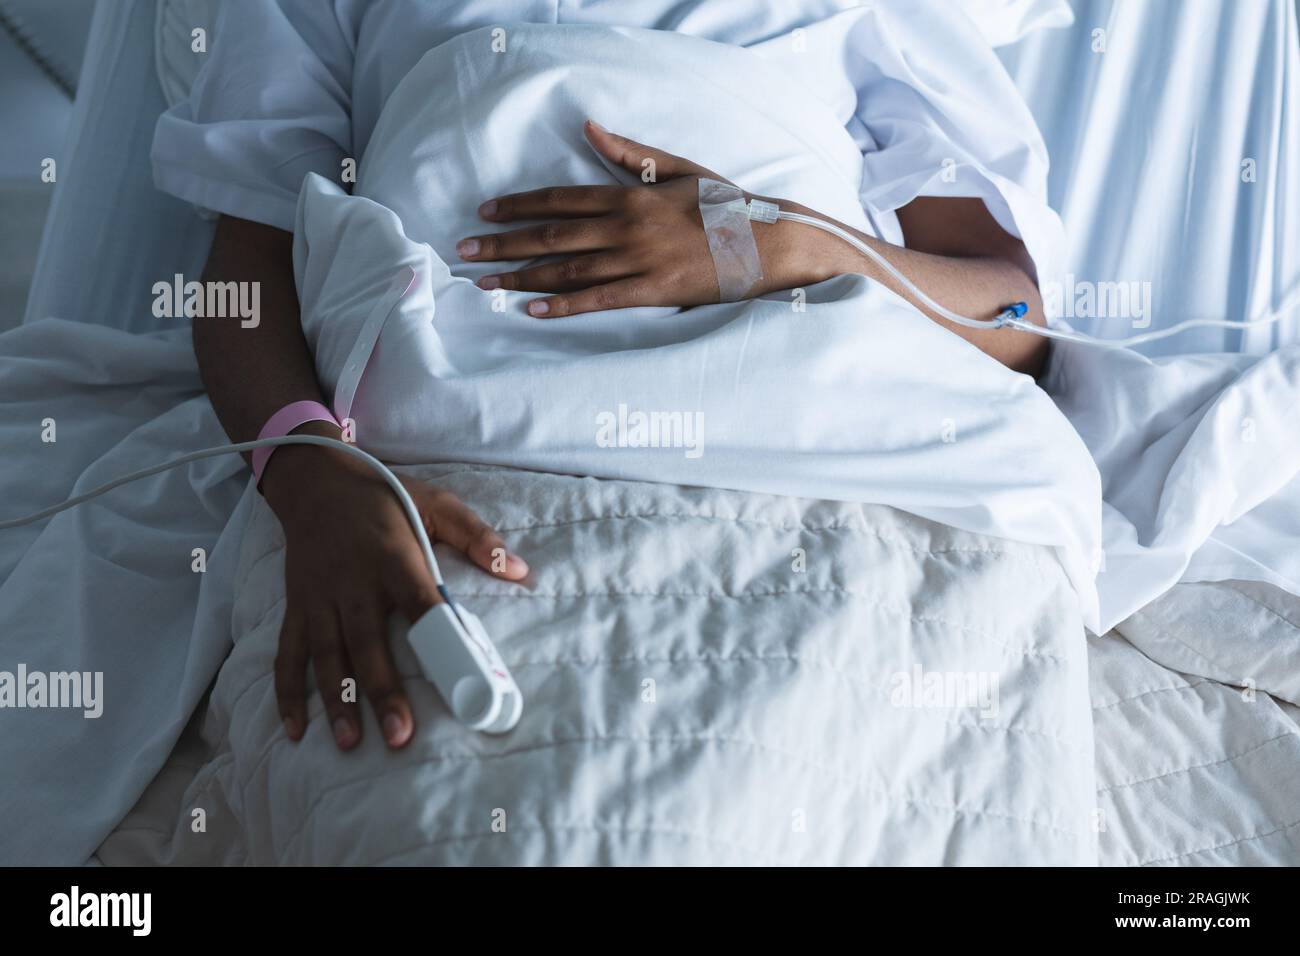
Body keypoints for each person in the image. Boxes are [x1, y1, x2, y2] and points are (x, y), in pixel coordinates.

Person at [154, 0, 1052, 753]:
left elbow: (1014, 321)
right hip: (432, 464)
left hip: (813, 425)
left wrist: (783, 242)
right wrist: (309, 478)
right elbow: (244, 273)